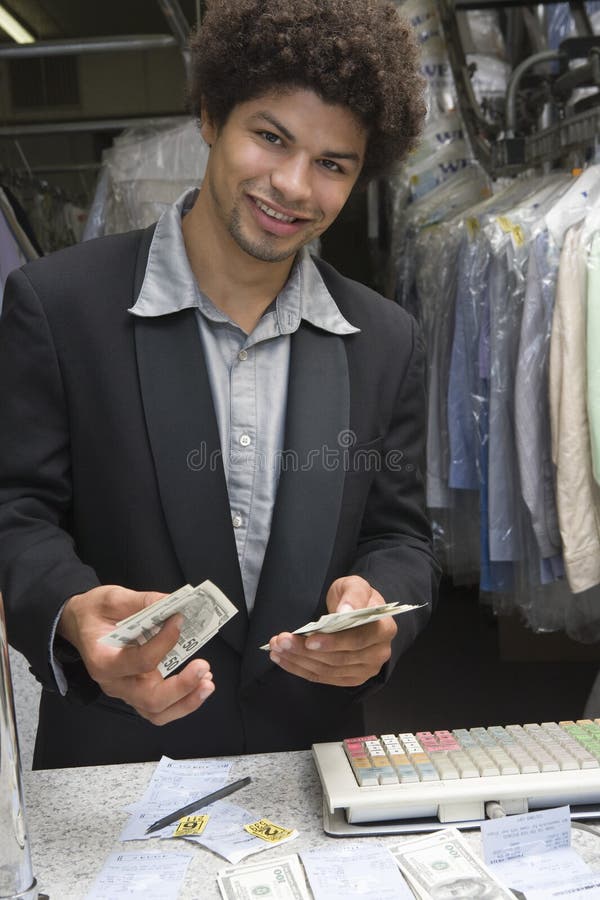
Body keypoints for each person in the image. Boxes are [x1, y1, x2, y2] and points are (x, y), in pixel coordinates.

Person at [0, 0, 439, 769]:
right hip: (119, 762)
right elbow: (16, 512)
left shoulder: (384, 341)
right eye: (270, 137)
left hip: (313, 765)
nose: (294, 186)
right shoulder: (60, 306)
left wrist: (378, 613)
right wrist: (71, 610)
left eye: (333, 163)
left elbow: (398, 535)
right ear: (210, 116)